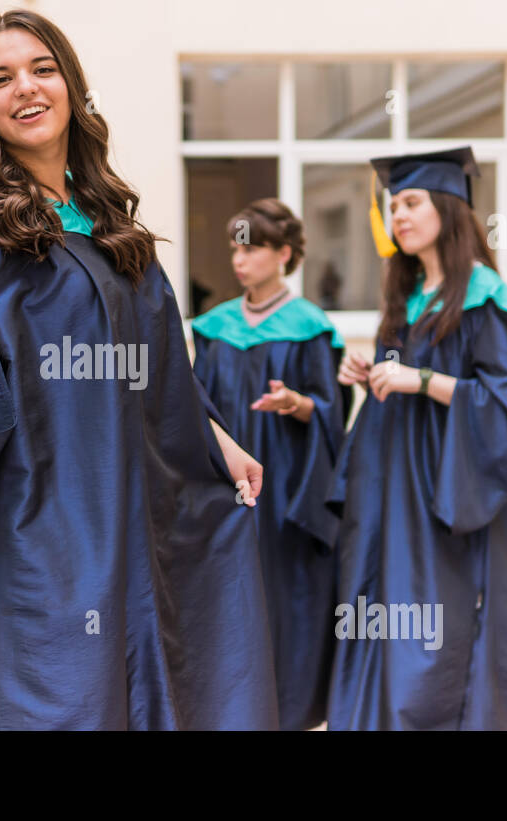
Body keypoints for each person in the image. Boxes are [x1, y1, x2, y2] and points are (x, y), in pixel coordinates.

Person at [0, 8, 279, 730]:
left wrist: (213, 434)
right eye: (0, 78)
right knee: (60, 698)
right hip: (36, 523)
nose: (25, 87)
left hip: (136, 510)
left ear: (72, 86)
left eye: (42, 69)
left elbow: (147, 364)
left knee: (158, 683)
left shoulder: (106, 214)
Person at [327, 147, 507, 730]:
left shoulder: (484, 297)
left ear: (448, 209)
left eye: (411, 202)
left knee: (441, 621)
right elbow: (396, 379)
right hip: (398, 486)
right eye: (393, 205)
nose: (398, 215)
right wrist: (369, 374)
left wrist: (419, 380)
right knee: (388, 607)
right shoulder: (406, 297)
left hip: (454, 486)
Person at [191, 198, 352, 730]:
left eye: (253, 247)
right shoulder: (213, 329)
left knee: (286, 594)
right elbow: (195, 409)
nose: (241, 259)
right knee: (229, 589)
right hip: (225, 483)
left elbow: (332, 411)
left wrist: (298, 404)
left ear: (283, 253)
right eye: (236, 246)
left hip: (288, 484)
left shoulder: (310, 327)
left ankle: (288, 710)